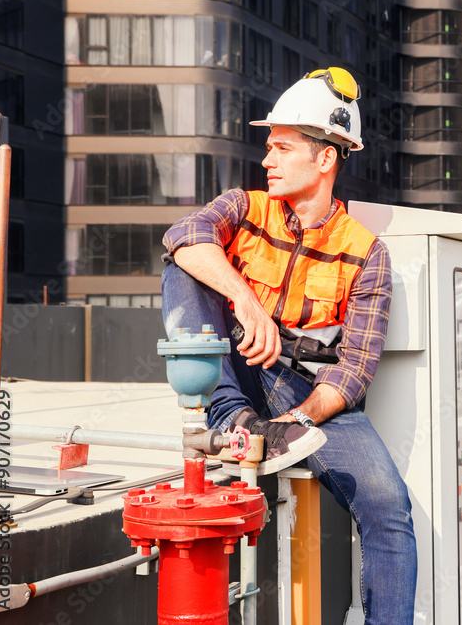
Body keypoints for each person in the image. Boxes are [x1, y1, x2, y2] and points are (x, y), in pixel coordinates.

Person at [160, 67, 416, 624]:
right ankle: (233, 417)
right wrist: (246, 303)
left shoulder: (366, 252)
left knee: (390, 508)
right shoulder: (243, 208)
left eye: (280, 148)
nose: (267, 161)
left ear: (325, 159)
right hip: (240, 372)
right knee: (185, 265)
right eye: (268, 148)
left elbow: (354, 371)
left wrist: (297, 422)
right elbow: (181, 238)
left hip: (309, 391)